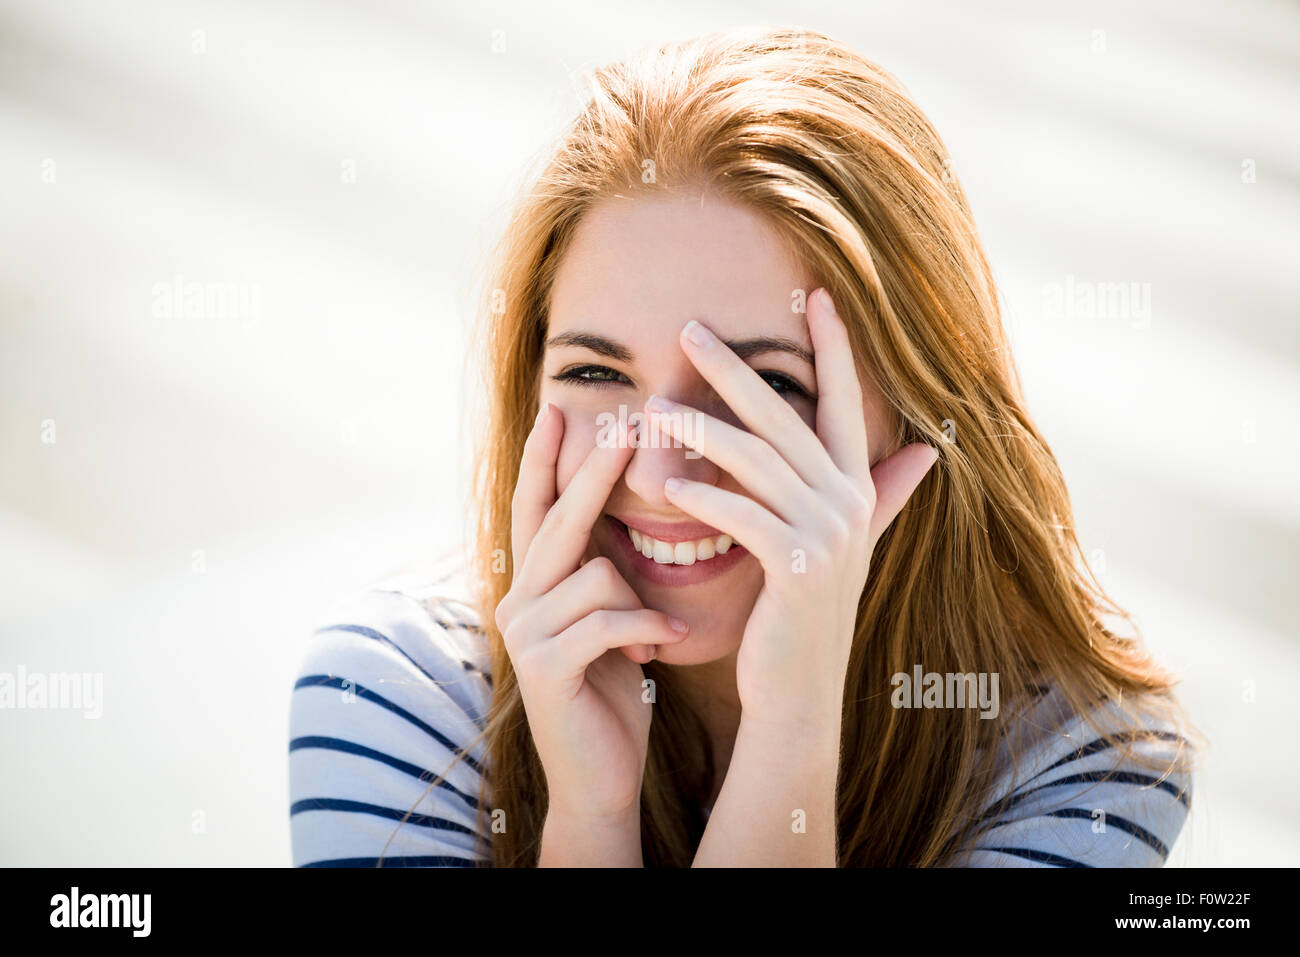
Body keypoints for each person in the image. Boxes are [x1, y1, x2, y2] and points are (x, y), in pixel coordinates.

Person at [289, 25, 1199, 867]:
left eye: (762, 388)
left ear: (916, 412)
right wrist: (589, 820)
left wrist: (789, 731)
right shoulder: (393, 694)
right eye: (599, 376)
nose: (659, 475)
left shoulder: (1082, 759)